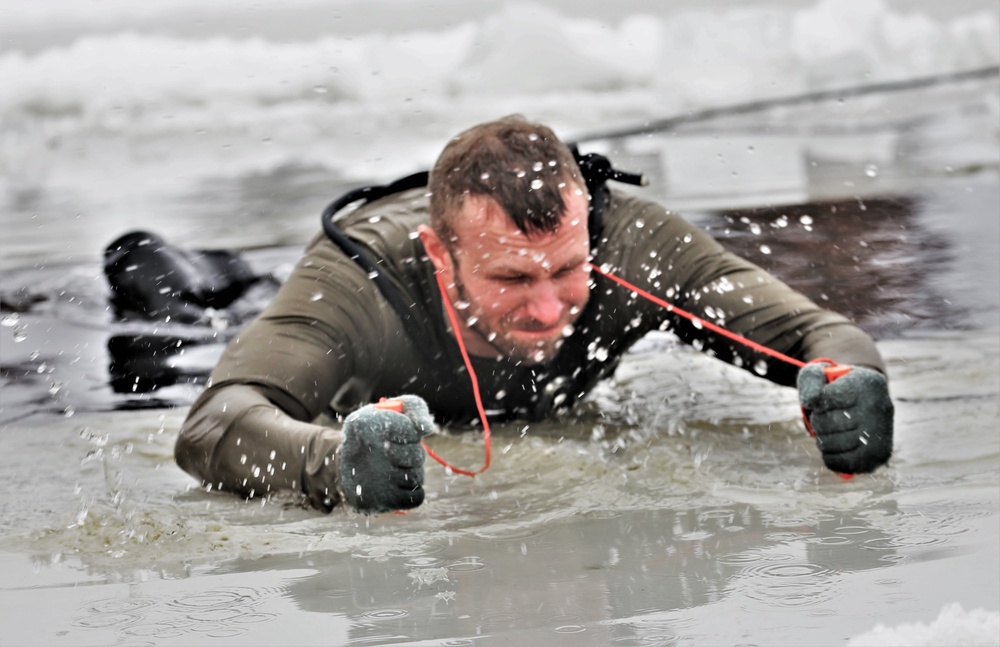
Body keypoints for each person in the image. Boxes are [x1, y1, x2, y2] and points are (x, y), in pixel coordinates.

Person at [174, 115, 893, 514]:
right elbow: (213, 423)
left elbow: (821, 334)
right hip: (257, 309)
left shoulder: (634, 242)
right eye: (511, 277)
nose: (548, 309)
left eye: (567, 269)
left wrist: (850, 387)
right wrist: (336, 464)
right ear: (440, 252)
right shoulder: (358, 282)